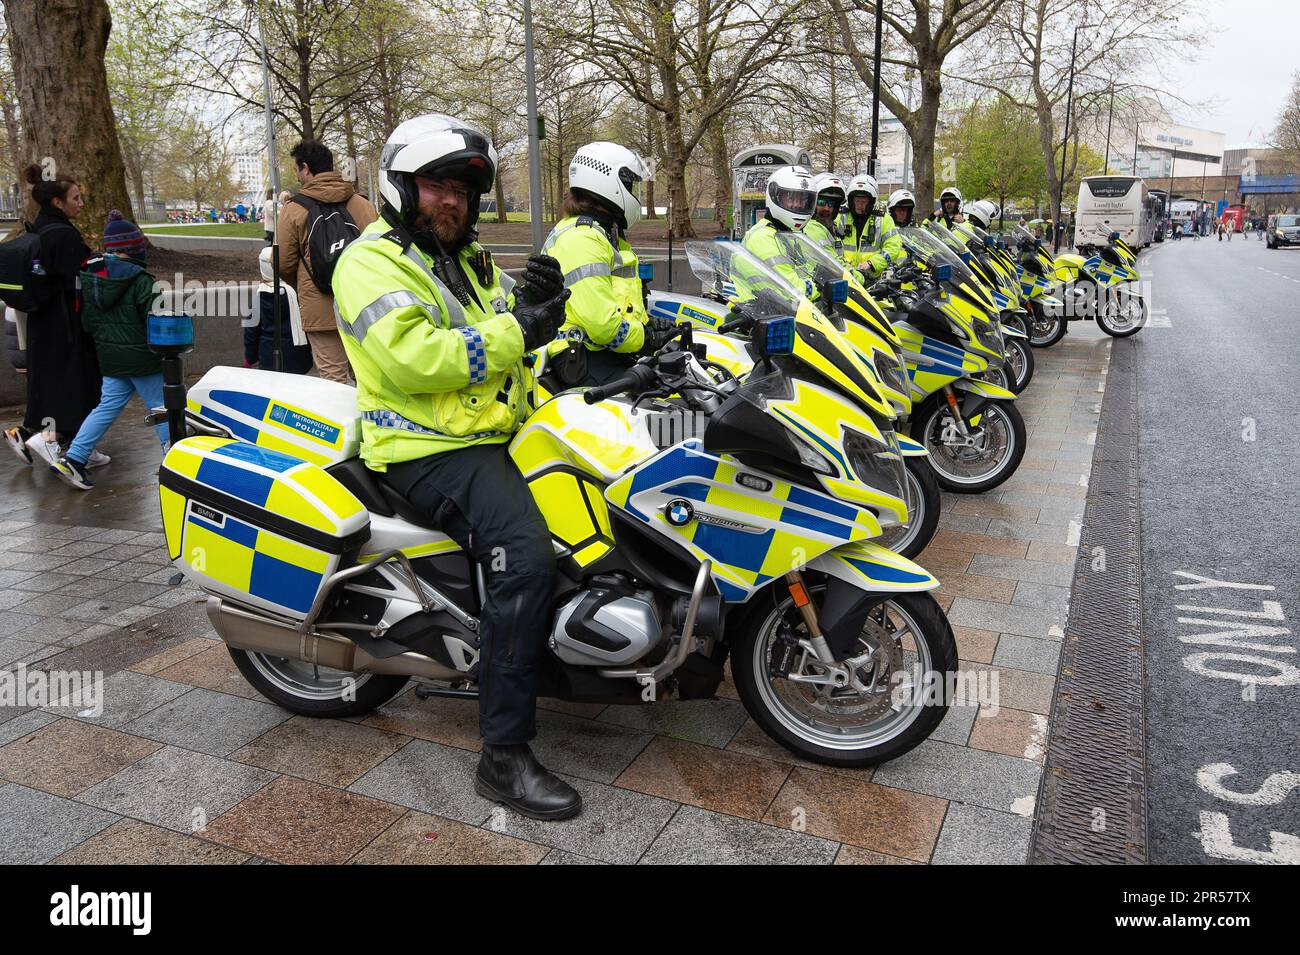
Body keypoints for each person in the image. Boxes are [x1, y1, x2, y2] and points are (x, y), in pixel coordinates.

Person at [331, 114, 578, 820]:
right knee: (524, 554)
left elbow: (509, 342)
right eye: (437, 184)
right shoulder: (370, 261)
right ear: (401, 187)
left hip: (492, 433)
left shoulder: (468, 261)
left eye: (463, 190)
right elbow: (419, 359)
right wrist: (519, 329)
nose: (452, 201)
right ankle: (503, 756)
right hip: (425, 447)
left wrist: (555, 337)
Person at [49, 212, 166, 490]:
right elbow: (155, 321)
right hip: (143, 358)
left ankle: (75, 458)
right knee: (163, 407)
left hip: (110, 357)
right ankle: (173, 458)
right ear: (134, 247)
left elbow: (87, 322)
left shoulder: (90, 278)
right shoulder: (142, 281)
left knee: (105, 407)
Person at [539, 141, 671, 387]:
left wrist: (649, 324)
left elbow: (619, 303)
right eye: (630, 184)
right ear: (609, 182)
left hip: (599, 352)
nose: (634, 193)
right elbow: (602, 325)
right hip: (580, 358)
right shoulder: (583, 238)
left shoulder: (604, 233)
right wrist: (647, 337)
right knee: (653, 403)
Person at [3, 164, 101, 470]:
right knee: (77, 383)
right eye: (75, 198)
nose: (81, 203)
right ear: (57, 202)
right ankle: (66, 444)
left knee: (48, 381)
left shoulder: (39, 228)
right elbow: (82, 277)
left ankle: (25, 432)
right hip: (66, 322)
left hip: (41, 320)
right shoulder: (63, 236)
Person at [277, 140, 377, 384]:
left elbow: (284, 264)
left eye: (297, 169)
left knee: (333, 379)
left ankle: (342, 423)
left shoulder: (293, 210)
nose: (297, 175)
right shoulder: (362, 204)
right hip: (362, 303)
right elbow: (379, 252)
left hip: (320, 307)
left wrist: (307, 285)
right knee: (371, 376)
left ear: (306, 168)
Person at [740, 164, 817, 292]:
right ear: (775, 196)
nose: (797, 205)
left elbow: (809, 271)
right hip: (758, 309)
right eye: (791, 198)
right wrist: (820, 288)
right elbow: (792, 290)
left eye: (802, 200)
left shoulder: (789, 235)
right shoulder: (762, 238)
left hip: (787, 308)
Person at [244, 246, 313, 374]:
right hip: (296, 354)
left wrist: (250, 358)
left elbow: (251, 332)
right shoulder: (296, 294)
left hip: (268, 355)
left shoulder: (258, 297)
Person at [843, 174, 903, 276]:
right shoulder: (841, 217)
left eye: (863, 201)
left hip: (871, 278)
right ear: (851, 200)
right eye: (857, 200)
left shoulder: (883, 219)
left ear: (871, 201)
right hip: (844, 277)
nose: (860, 204)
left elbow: (893, 247)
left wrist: (872, 263)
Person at [802, 172, 847, 261]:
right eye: (821, 203)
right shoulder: (811, 229)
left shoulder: (832, 229)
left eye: (831, 204)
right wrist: (856, 274)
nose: (826, 208)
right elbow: (835, 263)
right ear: (811, 203)